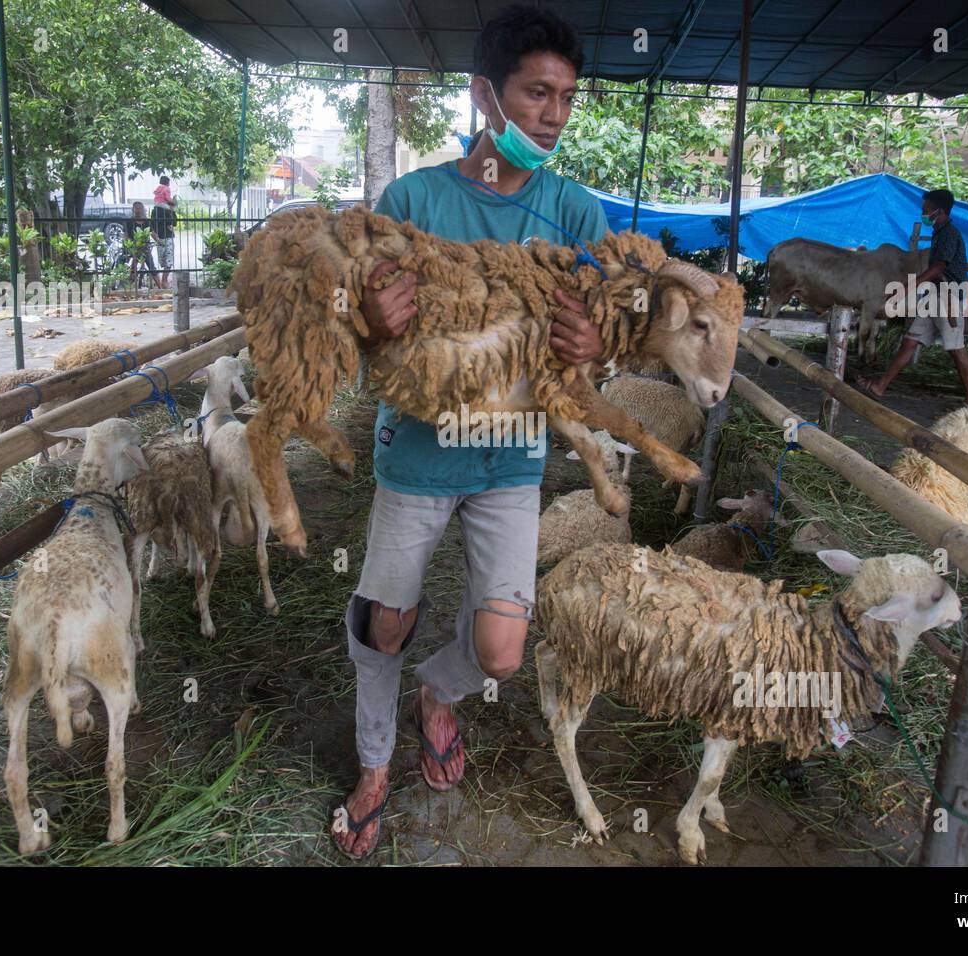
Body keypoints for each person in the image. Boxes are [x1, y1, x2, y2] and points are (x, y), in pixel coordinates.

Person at [331, 4, 610, 860]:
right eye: (536, 93)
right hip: (416, 452)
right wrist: (371, 317)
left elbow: (598, 349)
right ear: (486, 95)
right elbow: (351, 331)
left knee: (501, 654)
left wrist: (595, 343)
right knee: (386, 621)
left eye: (566, 97)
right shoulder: (412, 199)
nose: (554, 115)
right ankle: (375, 766)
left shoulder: (576, 213)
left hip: (510, 458)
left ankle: (437, 694)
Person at [858, 188, 968, 409]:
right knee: (909, 342)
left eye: (925, 209)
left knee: (956, 348)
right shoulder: (939, 232)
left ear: (939, 211)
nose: (922, 213)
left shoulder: (949, 234)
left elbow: (938, 267)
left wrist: (906, 288)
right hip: (934, 297)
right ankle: (880, 386)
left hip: (948, 298)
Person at [126, 201, 157, 289]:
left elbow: (152, 233)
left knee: (151, 266)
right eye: (136, 208)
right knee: (135, 265)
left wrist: (159, 241)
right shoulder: (130, 222)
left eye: (140, 208)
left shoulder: (146, 221)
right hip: (135, 248)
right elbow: (127, 235)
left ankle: (160, 287)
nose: (138, 210)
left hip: (145, 248)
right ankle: (130, 286)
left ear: (143, 209)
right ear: (133, 210)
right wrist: (129, 244)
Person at [150, 199, 176, 289]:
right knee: (163, 261)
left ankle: (164, 280)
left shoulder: (169, 211)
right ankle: (163, 280)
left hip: (168, 237)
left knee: (168, 261)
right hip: (161, 237)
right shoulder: (156, 211)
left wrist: (171, 211)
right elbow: (152, 225)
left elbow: (173, 223)